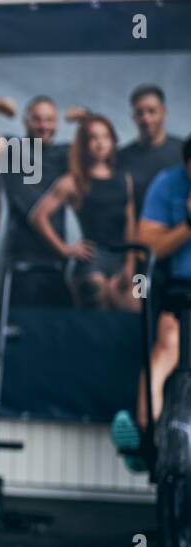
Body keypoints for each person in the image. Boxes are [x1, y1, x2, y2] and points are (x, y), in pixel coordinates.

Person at [112, 136, 191, 472]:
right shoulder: (169, 183)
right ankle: (147, 439)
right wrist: (188, 224)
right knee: (168, 341)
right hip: (180, 288)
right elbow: (148, 245)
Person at [0, 95, 83, 305]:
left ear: (56, 123)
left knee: (58, 328)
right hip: (20, 260)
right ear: (26, 121)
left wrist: (86, 118)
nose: (43, 125)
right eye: (37, 119)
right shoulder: (13, 147)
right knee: (18, 328)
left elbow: (101, 148)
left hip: (57, 260)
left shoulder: (65, 153)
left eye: (49, 120)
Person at [31, 114, 137, 312]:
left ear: (113, 141)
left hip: (125, 260)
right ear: (84, 144)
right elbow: (38, 216)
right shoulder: (72, 181)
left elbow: (130, 223)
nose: (100, 143)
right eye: (93, 138)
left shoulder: (125, 179)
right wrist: (65, 249)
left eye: (105, 137)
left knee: (138, 314)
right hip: (91, 261)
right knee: (97, 320)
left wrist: (130, 265)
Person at [118, 85, 184, 220]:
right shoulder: (121, 157)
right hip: (138, 237)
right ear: (134, 117)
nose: (146, 119)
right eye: (140, 113)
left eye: (152, 111)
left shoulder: (184, 151)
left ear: (164, 112)